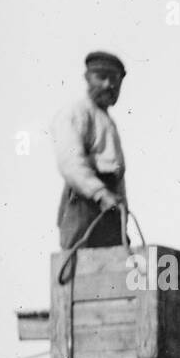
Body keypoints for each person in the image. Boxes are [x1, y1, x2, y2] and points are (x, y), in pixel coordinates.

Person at [52, 51, 128, 250]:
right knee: (81, 264)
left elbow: (117, 175)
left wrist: (122, 212)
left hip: (110, 204)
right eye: (101, 77)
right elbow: (70, 163)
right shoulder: (76, 112)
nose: (108, 85)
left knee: (117, 265)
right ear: (87, 78)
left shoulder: (108, 121)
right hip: (85, 202)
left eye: (114, 80)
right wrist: (100, 193)